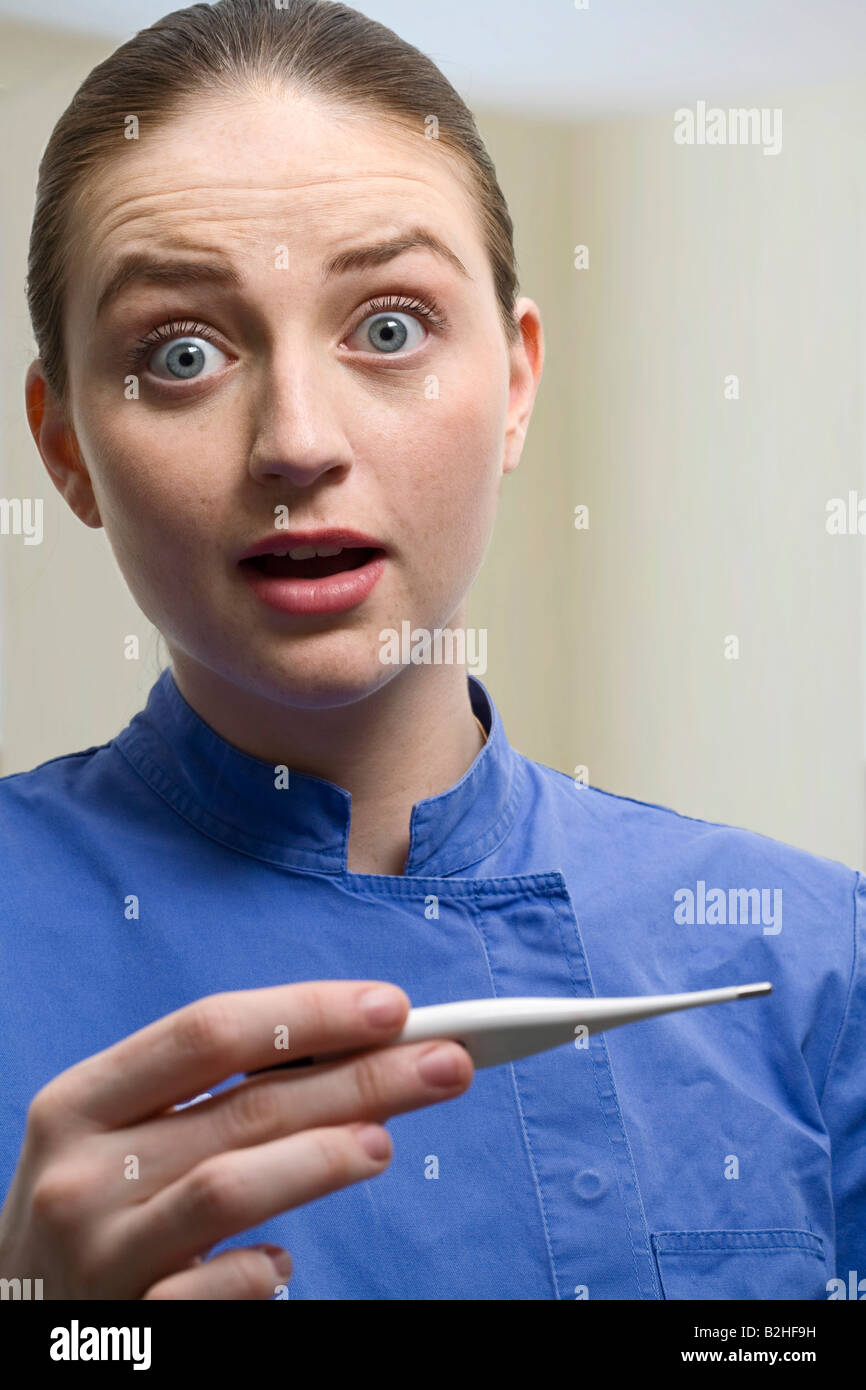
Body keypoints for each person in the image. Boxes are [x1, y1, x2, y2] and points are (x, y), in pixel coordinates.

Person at [0, 0, 862, 1302]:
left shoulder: (808, 958)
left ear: (514, 383)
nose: (295, 438)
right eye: (181, 353)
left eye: (388, 327)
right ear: (65, 447)